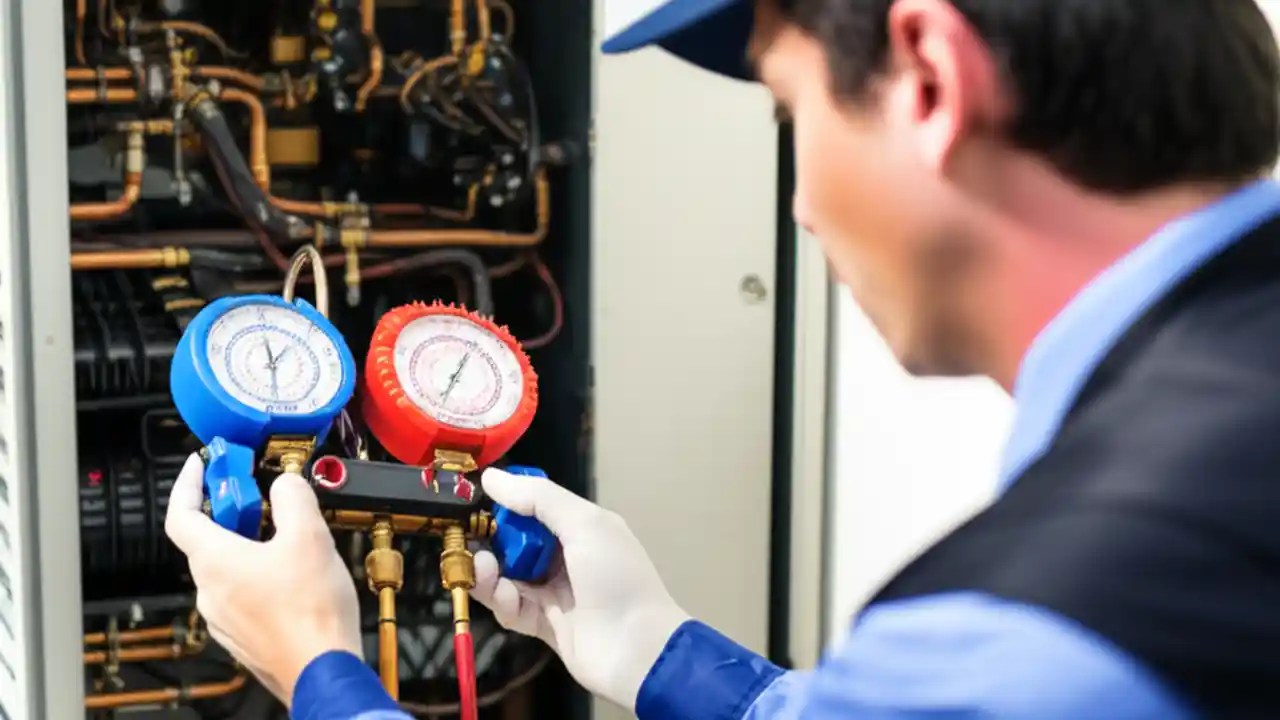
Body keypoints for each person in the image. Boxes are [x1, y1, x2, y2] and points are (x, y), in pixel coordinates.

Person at [163, 0, 1280, 717]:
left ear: (930, 79)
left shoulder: (1045, 624)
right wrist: (657, 652)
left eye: (792, 117)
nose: (799, 208)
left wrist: (320, 671)